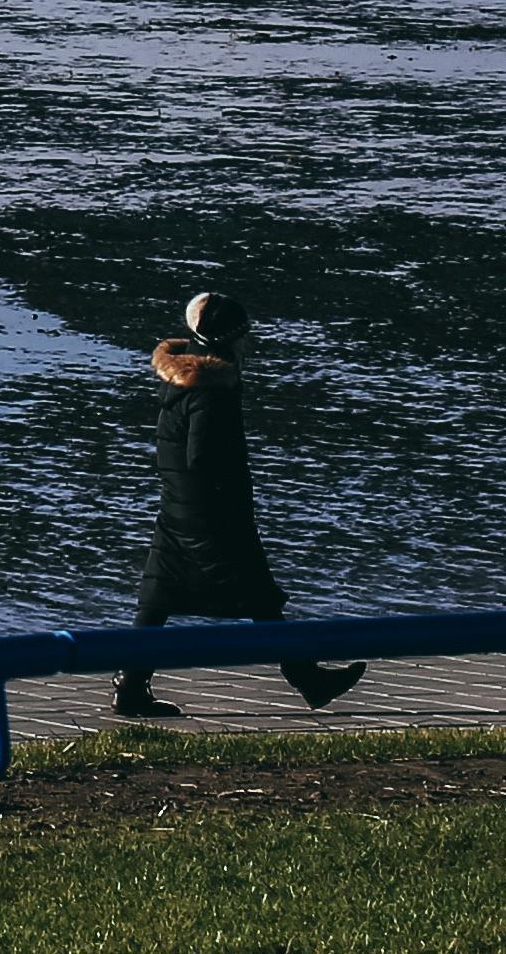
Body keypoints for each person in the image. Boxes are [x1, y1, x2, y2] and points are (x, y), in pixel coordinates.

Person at [110, 290, 366, 717]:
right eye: (244, 337)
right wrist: (228, 507)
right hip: (211, 517)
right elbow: (204, 457)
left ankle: (132, 686)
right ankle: (308, 679)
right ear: (225, 340)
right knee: (260, 598)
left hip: (177, 507)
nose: (249, 345)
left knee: (157, 598)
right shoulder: (212, 387)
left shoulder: (178, 377)